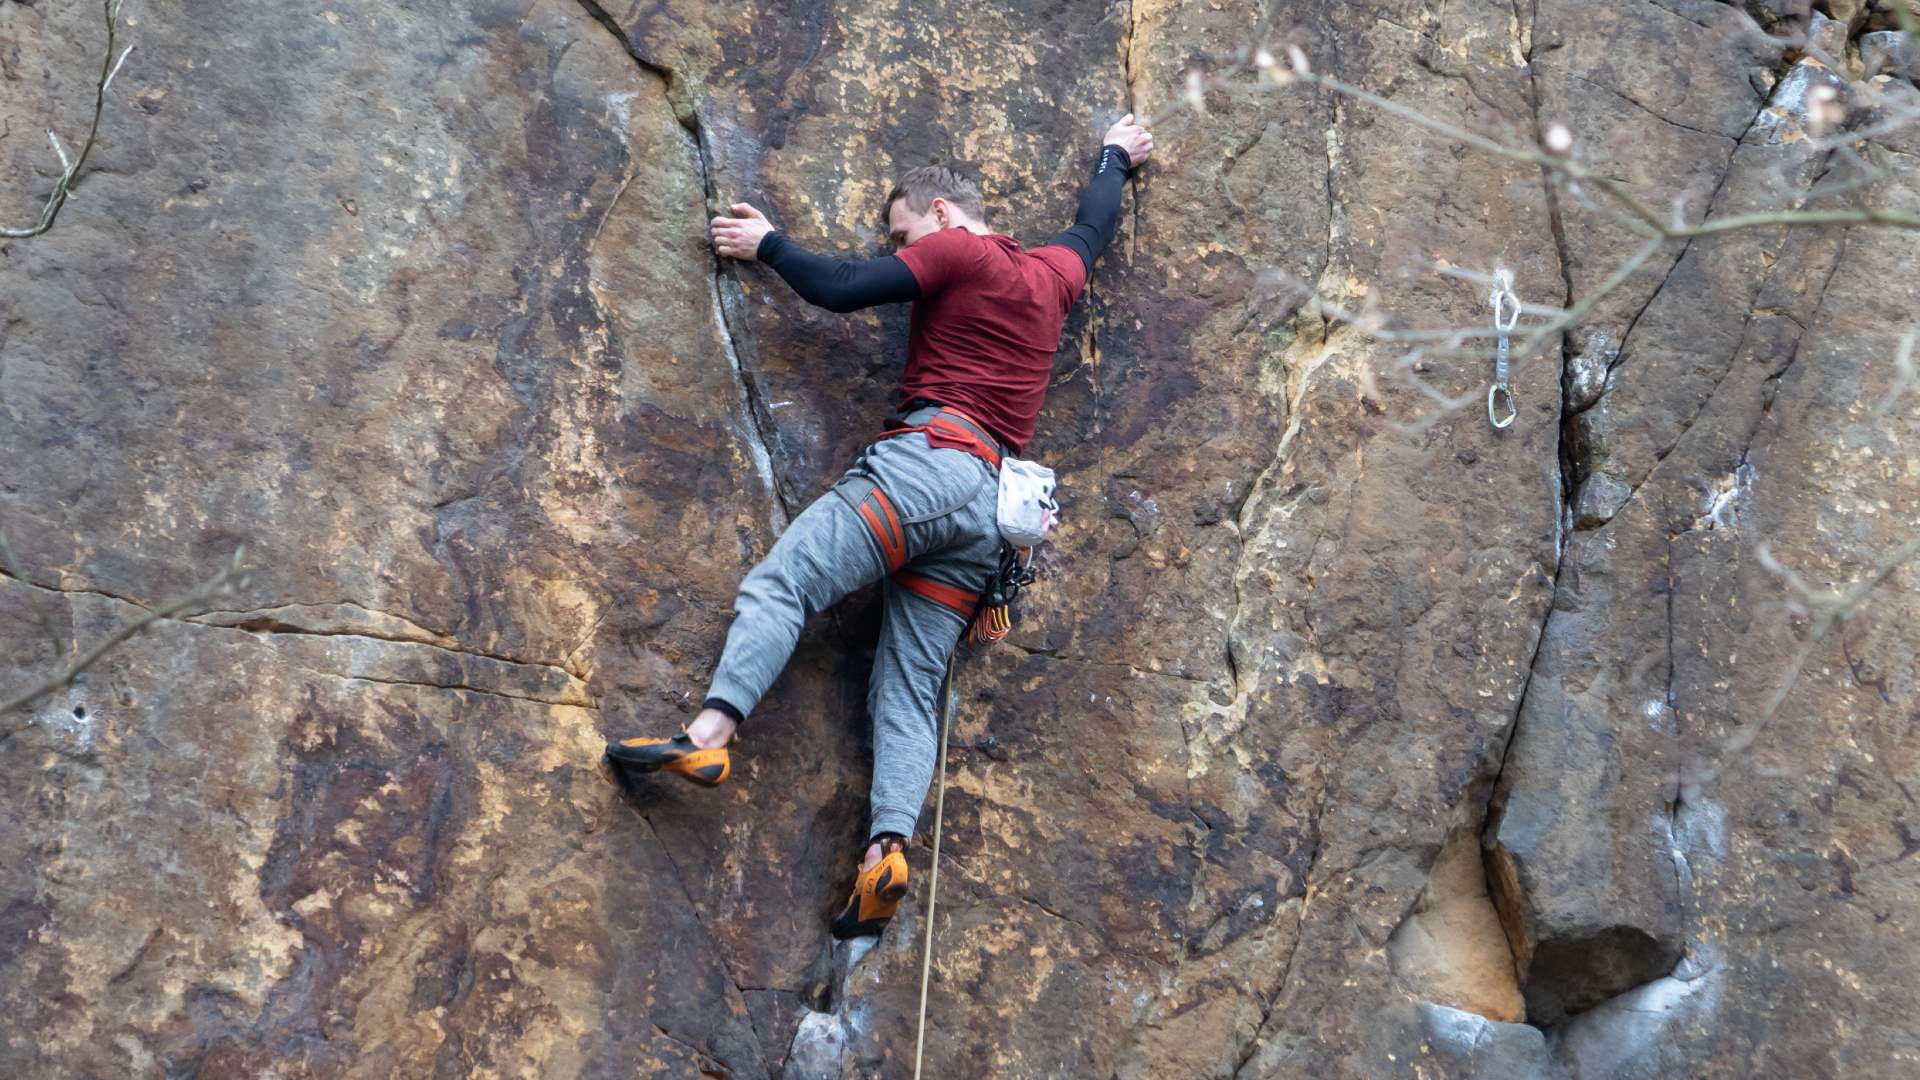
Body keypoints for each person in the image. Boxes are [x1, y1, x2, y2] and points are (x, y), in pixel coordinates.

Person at [608, 113, 1154, 938]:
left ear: (939, 213)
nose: (899, 246)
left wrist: (770, 245)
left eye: (902, 231)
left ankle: (711, 733)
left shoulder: (958, 249)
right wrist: (1116, 157)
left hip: (927, 467)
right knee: (908, 685)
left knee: (788, 581)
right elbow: (1094, 222)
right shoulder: (1053, 273)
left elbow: (841, 287)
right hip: (992, 519)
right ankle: (885, 853)